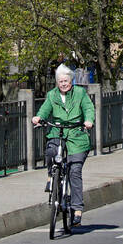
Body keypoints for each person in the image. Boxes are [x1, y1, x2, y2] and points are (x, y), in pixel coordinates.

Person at [33, 64, 95, 226]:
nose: (63, 84)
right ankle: (50, 175)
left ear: (71, 81)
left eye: (66, 81)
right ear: (57, 82)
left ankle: (77, 209)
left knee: (74, 171)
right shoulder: (52, 95)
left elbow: (88, 108)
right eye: (60, 81)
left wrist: (88, 120)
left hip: (76, 135)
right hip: (58, 132)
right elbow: (45, 109)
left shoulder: (80, 93)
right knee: (51, 151)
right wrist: (38, 118)